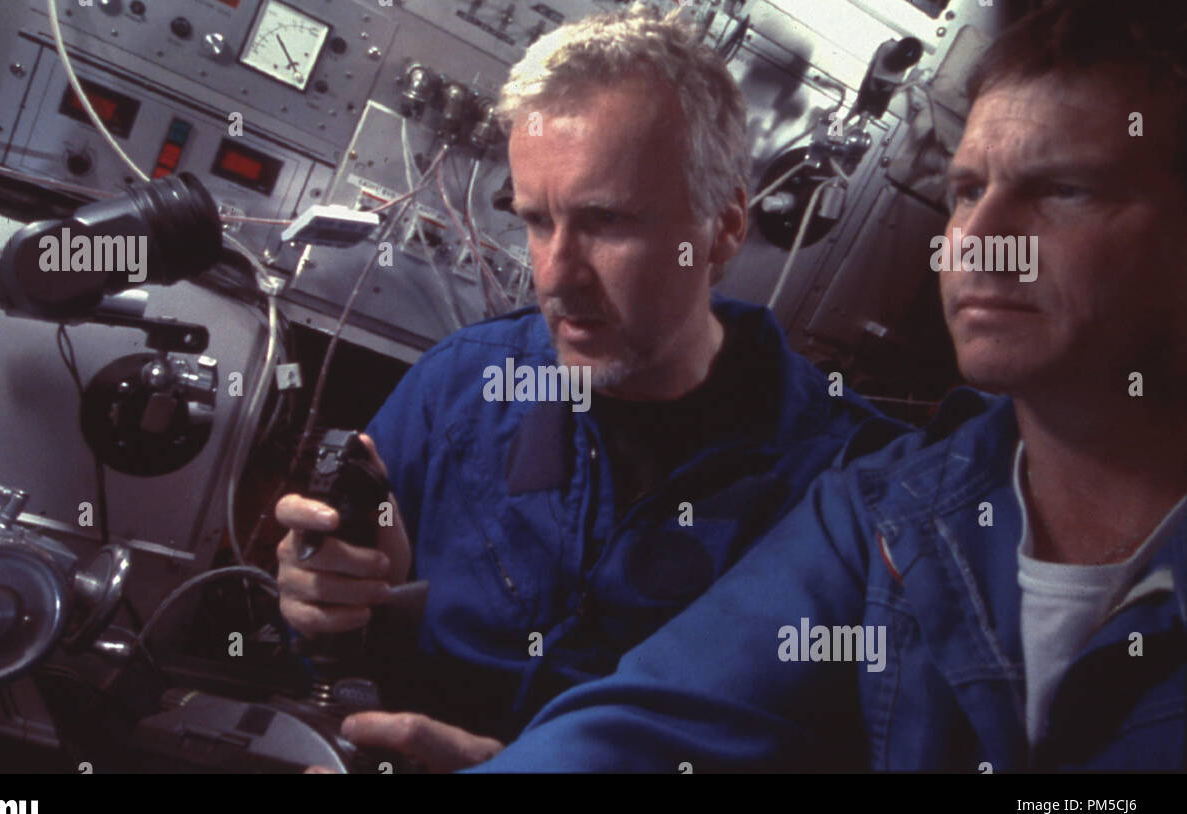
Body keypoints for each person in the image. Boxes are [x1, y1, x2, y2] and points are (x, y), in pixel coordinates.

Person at [474, 0, 1187, 772]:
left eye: (1064, 190)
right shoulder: (882, 515)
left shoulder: (834, 460)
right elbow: (647, 726)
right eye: (967, 191)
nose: (978, 241)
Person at [274, 10, 882, 771]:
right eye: (536, 221)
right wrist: (323, 597)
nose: (555, 275)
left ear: (724, 226)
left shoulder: (844, 484)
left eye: (606, 221)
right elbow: (329, 639)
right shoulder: (460, 387)